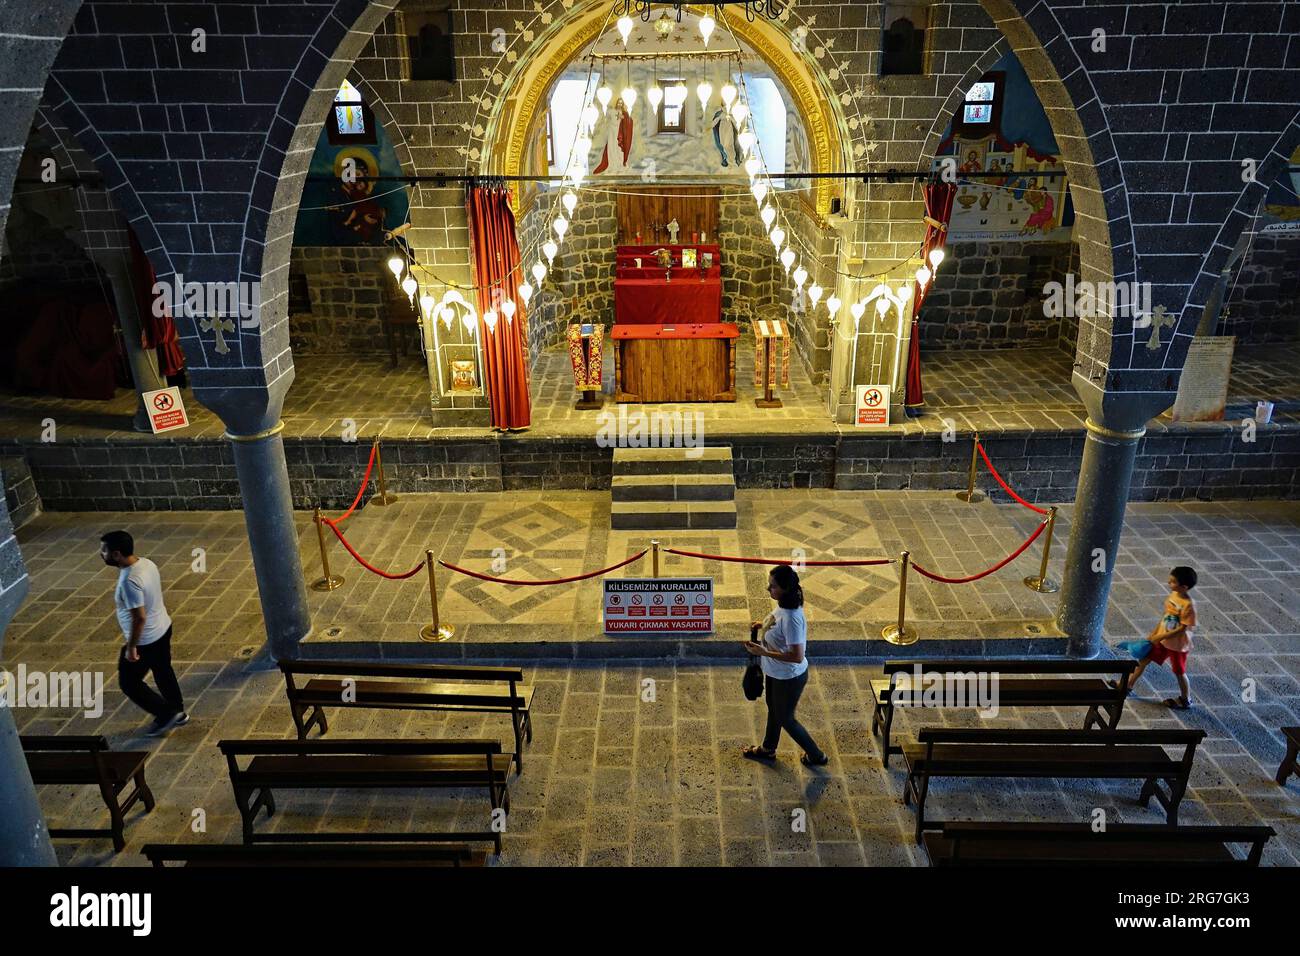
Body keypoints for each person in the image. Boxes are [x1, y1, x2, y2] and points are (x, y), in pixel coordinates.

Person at [100, 530, 188, 735]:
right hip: (163, 627)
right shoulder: (147, 563)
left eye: (104, 551)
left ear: (117, 554)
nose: (101, 554)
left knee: (129, 683)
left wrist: (131, 647)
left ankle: (166, 714)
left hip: (146, 639)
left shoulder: (129, 581)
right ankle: (178, 710)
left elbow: (139, 617)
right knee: (163, 670)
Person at [741, 565, 828, 766]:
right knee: (773, 709)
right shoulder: (783, 604)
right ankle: (768, 748)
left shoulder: (793, 619)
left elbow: (797, 656)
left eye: (773, 586)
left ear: (785, 588)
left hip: (788, 677)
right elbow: (776, 624)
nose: (768, 589)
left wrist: (763, 652)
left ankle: (817, 755)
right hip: (775, 672)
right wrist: (761, 625)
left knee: (786, 719)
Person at [1127, 566, 1198, 710]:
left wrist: (1161, 636)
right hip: (1163, 640)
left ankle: (1185, 699)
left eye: (1172, 582)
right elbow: (1166, 617)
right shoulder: (1173, 595)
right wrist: (1155, 633)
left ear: (1184, 587)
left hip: (1177, 645)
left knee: (1179, 671)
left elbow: (1182, 629)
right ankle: (1128, 685)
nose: (1168, 583)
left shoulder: (1188, 606)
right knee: (1144, 660)